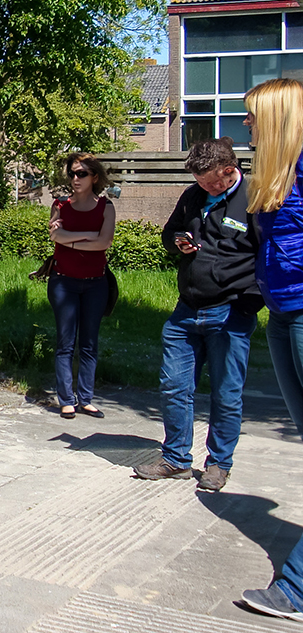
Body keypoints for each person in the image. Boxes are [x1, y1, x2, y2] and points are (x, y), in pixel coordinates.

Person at [132, 137, 261, 492]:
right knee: (174, 385)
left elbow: (270, 254)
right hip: (186, 310)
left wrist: (249, 303)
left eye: (210, 182)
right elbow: (169, 233)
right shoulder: (193, 196)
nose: (204, 188)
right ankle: (175, 459)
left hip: (230, 312)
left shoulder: (255, 200)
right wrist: (178, 241)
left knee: (226, 392)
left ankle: (219, 464)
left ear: (230, 171)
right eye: (199, 182)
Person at [238, 78, 303, 622]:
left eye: (253, 115)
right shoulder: (274, 174)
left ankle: (298, 589)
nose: (246, 124)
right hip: (281, 316)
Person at [47, 153, 117, 420]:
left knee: (89, 343)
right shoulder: (60, 205)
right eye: (72, 174)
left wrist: (71, 240)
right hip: (63, 281)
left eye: (82, 174)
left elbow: (104, 242)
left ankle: (85, 399)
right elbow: (55, 236)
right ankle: (66, 399)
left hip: (95, 283)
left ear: (94, 177)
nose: (76, 179)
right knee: (66, 342)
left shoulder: (106, 207)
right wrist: (87, 236)